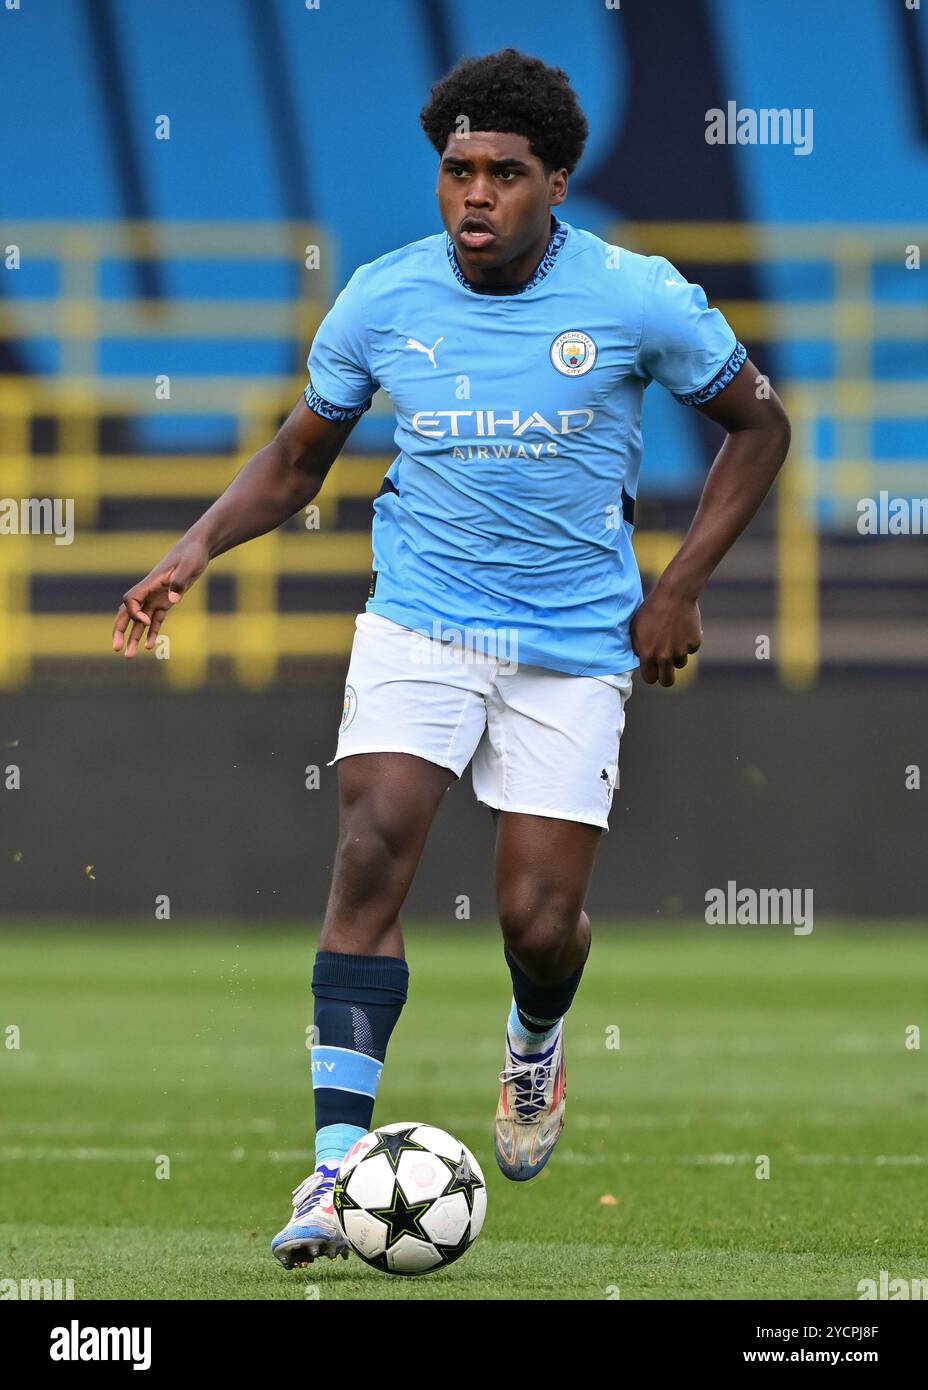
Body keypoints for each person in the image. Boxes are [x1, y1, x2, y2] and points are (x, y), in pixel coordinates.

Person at [111, 48, 790, 1269]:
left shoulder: (636, 296)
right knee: (371, 844)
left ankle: (535, 1037)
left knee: (539, 919)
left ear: (556, 184)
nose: (475, 195)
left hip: (572, 644)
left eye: (503, 174)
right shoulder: (383, 297)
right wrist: (193, 549)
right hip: (420, 618)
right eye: (457, 170)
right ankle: (332, 1167)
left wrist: (679, 585)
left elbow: (760, 423)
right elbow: (296, 461)